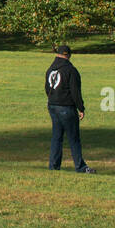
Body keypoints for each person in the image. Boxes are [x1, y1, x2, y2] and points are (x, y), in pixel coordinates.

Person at [46, 44, 95, 173]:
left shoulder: (50, 69)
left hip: (52, 105)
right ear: (68, 55)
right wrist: (81, 108)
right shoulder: (71, 70)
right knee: (73, 138)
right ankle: (80, 167)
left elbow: (47, 88)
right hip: (66, 107)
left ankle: (54, 166)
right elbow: (75, 92)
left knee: (57, 137)